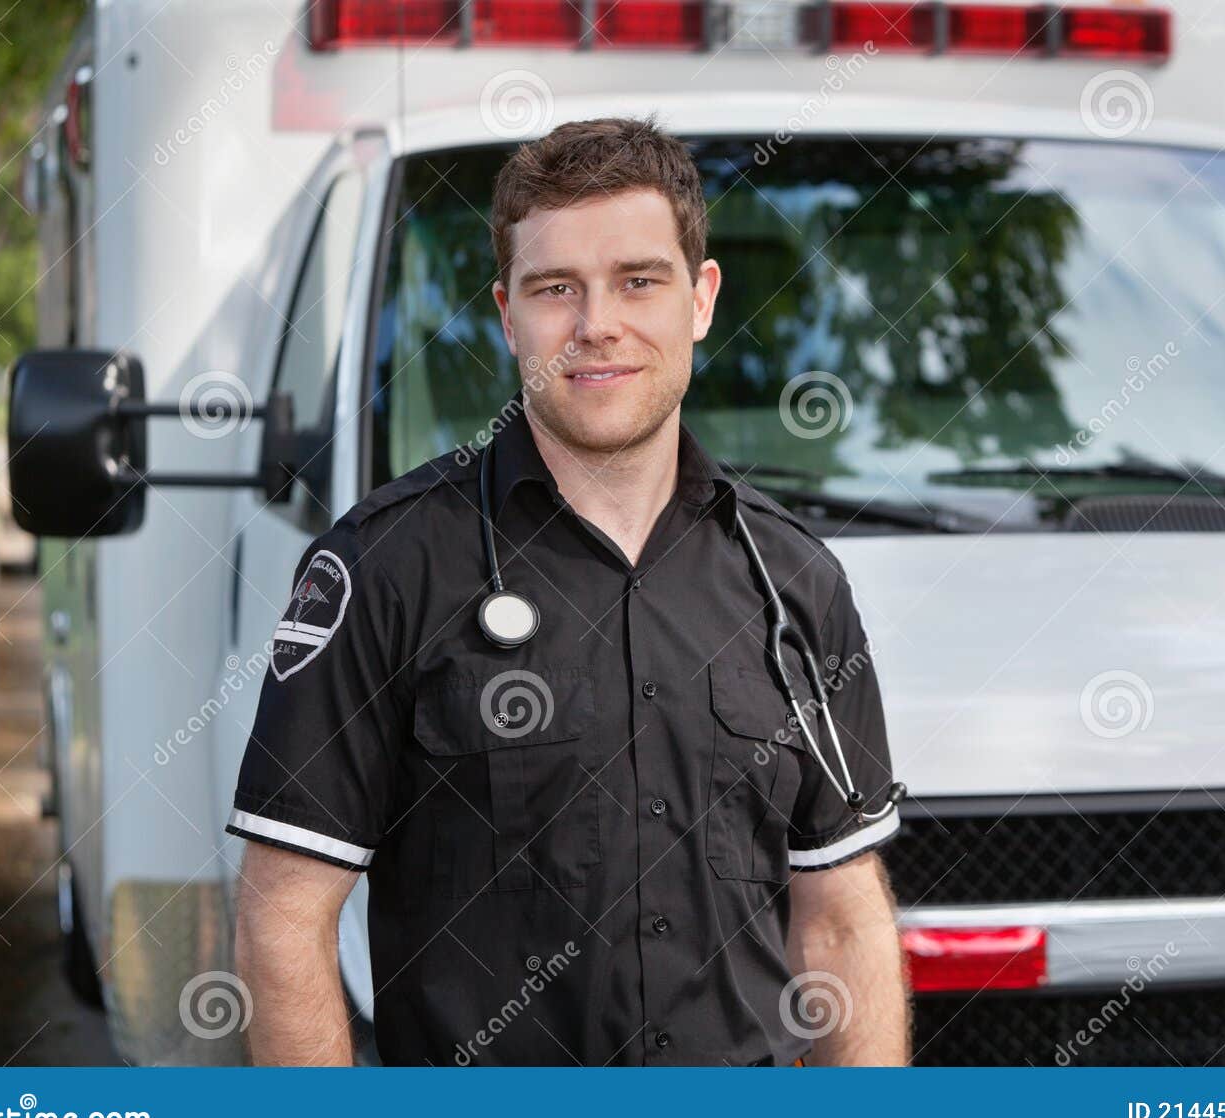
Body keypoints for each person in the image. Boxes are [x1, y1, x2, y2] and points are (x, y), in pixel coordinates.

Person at [226, 114, 909, 1066]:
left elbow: (841, 919)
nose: (598, 325)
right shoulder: (386, 568)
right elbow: (283, 916)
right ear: (507, 313)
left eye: (639, 280)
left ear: (701, 298)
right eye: (557, 289)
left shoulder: (794, 580)